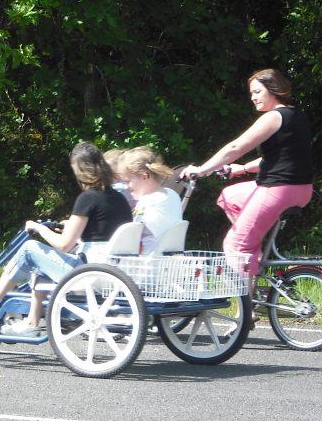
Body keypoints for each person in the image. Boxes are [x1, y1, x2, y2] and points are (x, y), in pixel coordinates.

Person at [0, 141, 133, 336]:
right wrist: (66, 226)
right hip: (111, 272)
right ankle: (32, 323)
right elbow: (99, 230)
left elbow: (64, 245)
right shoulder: (119, 199)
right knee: (41, 265)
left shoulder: (88, 198)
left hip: (86, 273)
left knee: (29, 250)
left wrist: (38, 228)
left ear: (80, 169)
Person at [181, 68, 313, 278]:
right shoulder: (296, 115)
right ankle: (252, 252)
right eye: (251, 93)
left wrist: (202, 170)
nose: (253, 97)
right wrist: (241, 169)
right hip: (301, 189)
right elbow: (280, 158)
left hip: (278, 190)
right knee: (230, 196)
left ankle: (248, 297)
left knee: (235, 245)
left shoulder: (274, 117)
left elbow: (236, 148)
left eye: (257, 92)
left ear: (273, 89)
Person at [118, 146, 183, 252]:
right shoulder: (172, 195)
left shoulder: (147, 201)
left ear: (145, 176)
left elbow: (133, 234)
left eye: (128, 181)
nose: (127, 186)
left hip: (147, 259)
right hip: (169, 257)